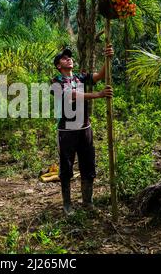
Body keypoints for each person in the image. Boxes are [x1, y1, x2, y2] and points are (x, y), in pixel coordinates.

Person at [51, 46, 114, 215]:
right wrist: (98, 95)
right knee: (66, 167)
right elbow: (71, 95)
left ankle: (88, 202)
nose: (69, 59)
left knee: (88, 164)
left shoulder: (80, 77)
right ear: (58, 65)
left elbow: (100, 76)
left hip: (85, 128)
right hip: (66, 131)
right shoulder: (56, 82)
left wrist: (107, 58)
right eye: (64, 58)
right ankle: (67, 205)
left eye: (69, 57)